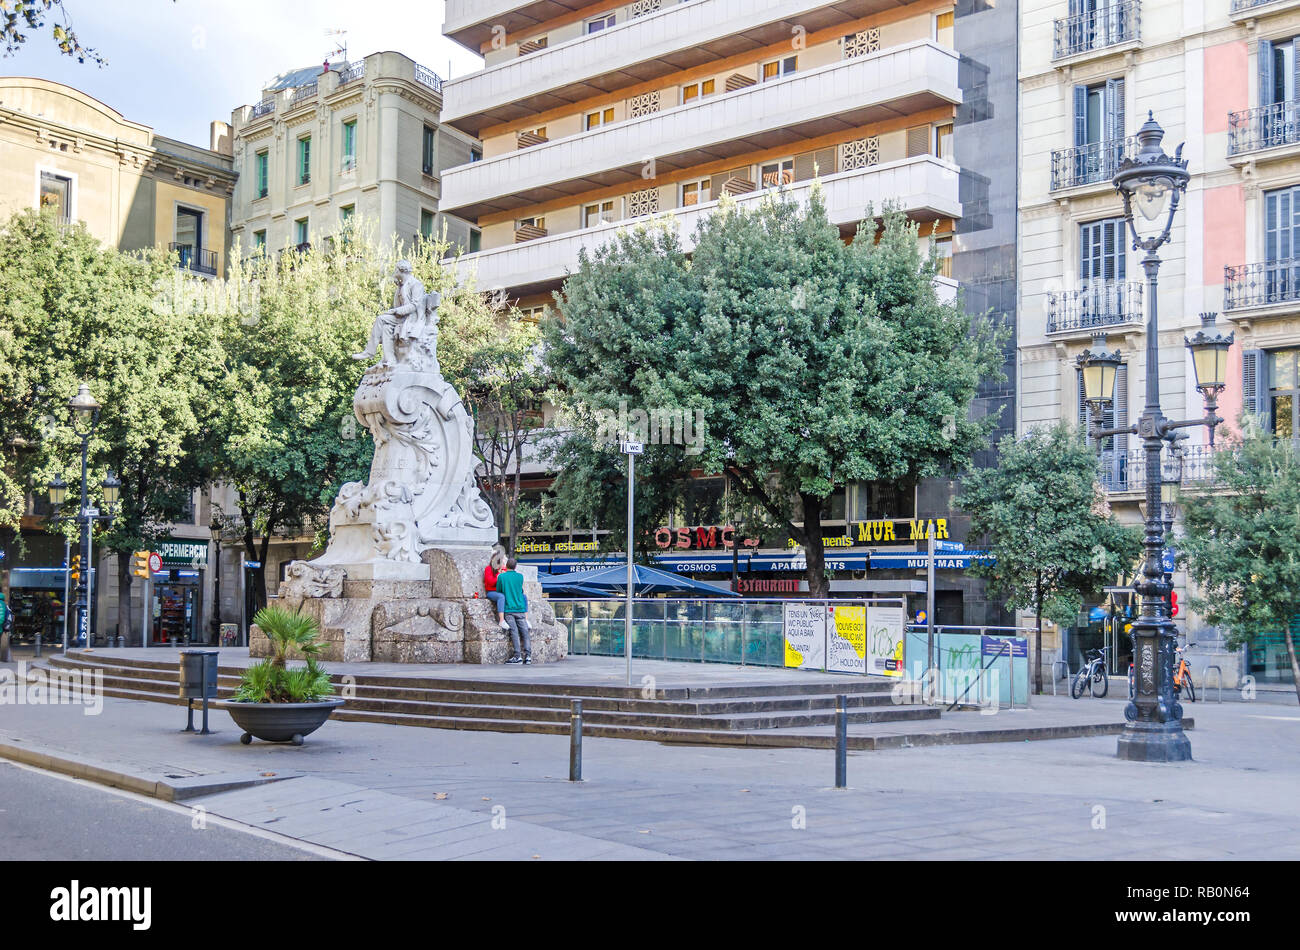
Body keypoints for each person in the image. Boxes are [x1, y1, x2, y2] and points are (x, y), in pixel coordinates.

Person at [495, 557, 532, 665]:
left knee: (514, 632)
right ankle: (528, 656)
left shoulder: (502, 577)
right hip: (520, 608)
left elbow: (499, 591)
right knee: (525, 632)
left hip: (509, 608)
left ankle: (517, 656)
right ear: (515, 566)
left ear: (506, 565)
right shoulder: (520, 576)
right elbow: (521, 590)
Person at [483, 549, 509, 631]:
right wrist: (499, 576)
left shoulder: (504, 570)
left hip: (502, 590)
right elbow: (490, 582)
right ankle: (501, 620)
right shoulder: (488, 569)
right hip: (492, 592)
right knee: (501, 597)